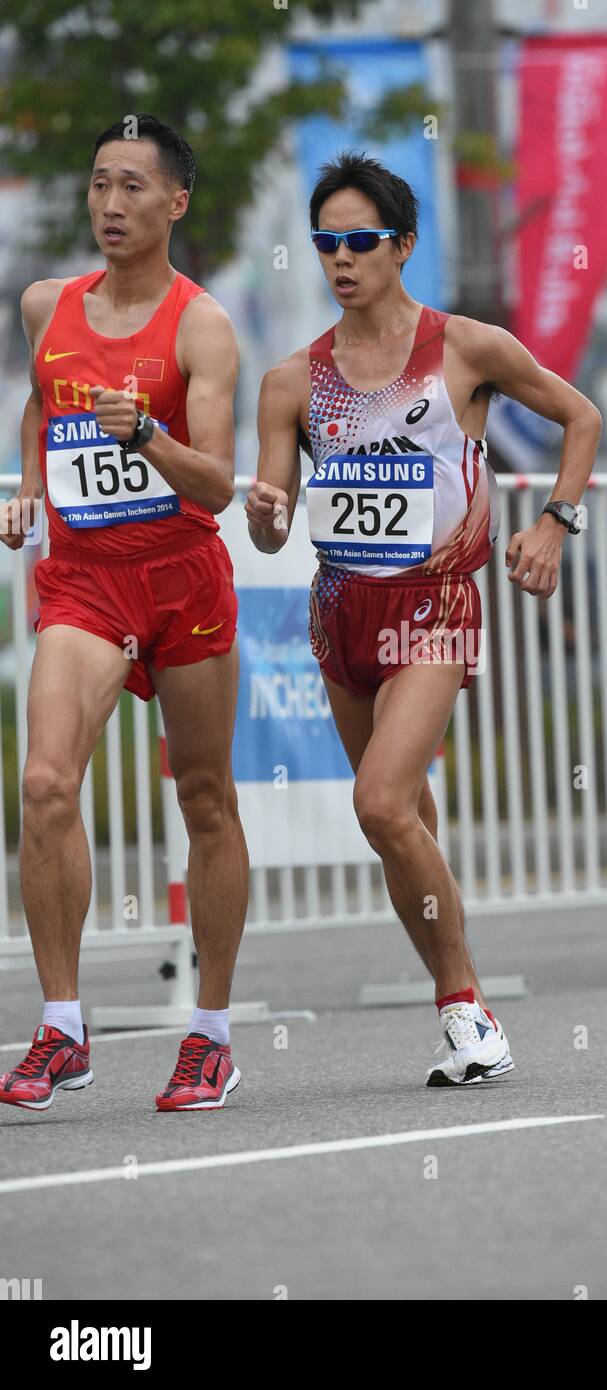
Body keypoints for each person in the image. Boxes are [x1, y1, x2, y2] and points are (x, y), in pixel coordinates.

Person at [246, 151, 600, 1086]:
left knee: (377, 802)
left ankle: (464, 1006)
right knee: (401, 822)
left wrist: (554, 524)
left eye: (361, 240)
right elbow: (276, 531)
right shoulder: (291, 381)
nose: (340, 259)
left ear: (403, 245)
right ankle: (461, 1006)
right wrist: (263, 512)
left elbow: (581, 417)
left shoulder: (467, 348)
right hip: (340, 615)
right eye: (325, 242)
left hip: (434, 607)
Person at [0, 114, 248, 1112]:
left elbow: (221, 483)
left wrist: (148, 434)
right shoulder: (44, 305)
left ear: (175, 202)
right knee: (47, 783)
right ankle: (62, 1025)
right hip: (85, 579)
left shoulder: (202, 326)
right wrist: (26, 486)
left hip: (182, 576)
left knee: (203, 797)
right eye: (99, 184)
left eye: (133, 187)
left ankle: (213, 1033)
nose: (110, 204)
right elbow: (40, 403)